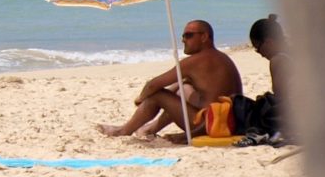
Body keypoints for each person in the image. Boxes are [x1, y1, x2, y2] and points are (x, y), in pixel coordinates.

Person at [98, 19, 243, 138]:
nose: (183, 40)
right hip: (230, 122)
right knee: (183, 89)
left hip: (208, 125)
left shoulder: (197, 61)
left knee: (157, 95)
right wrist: (173, 91)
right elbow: (183, 83)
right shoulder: (222, 58)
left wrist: (141, 98)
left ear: (204, 37)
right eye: (183, 36)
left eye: (189, 35)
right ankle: (150, 129)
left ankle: (123, 131)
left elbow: (152, 85)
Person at [246, 15, 288, 136]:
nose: (259, 53)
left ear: (268, 42)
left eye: (257, 48)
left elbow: (281, 98)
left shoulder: (278, 60)